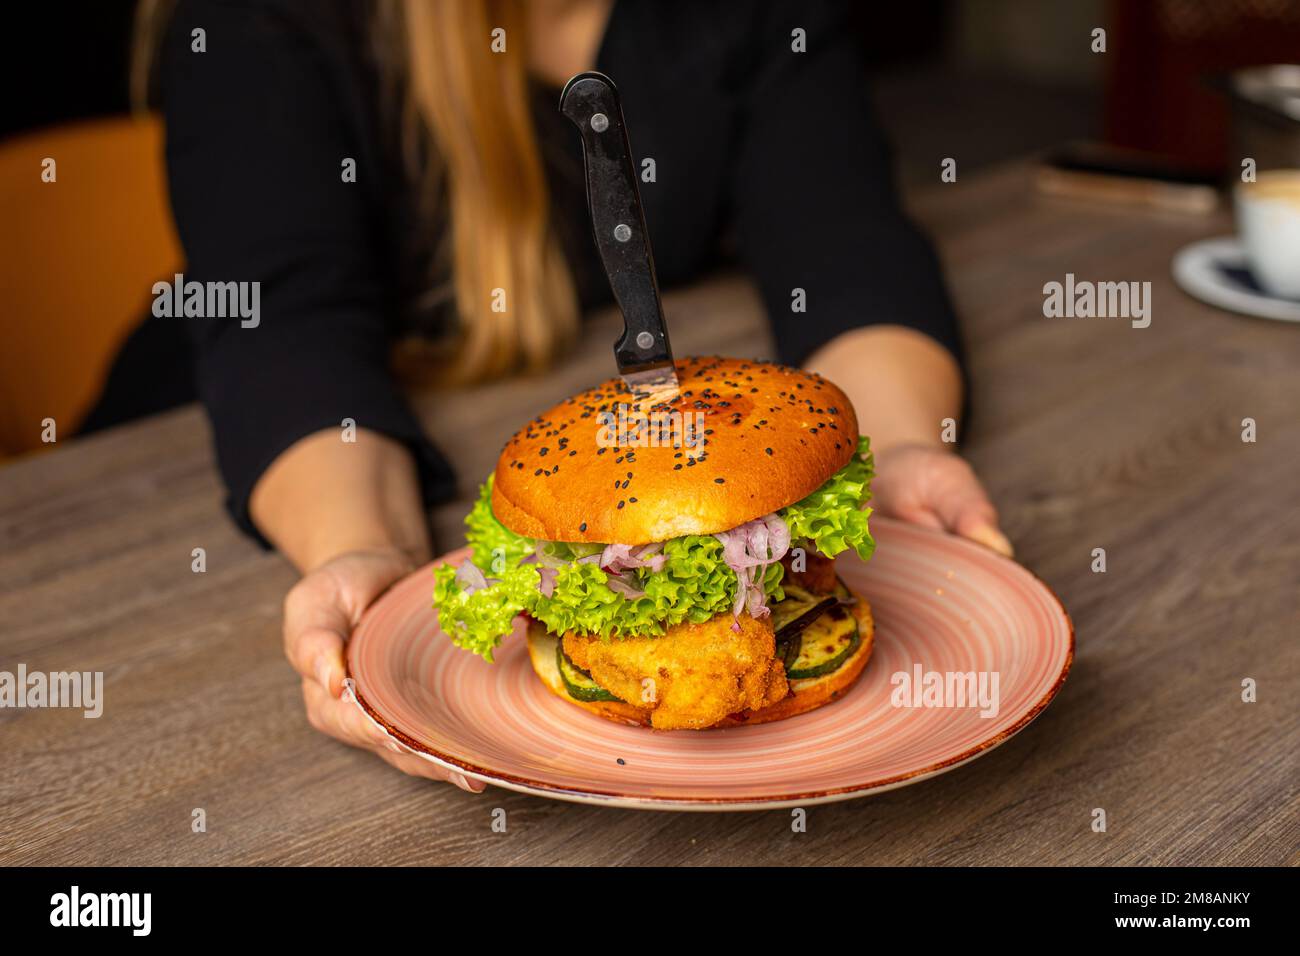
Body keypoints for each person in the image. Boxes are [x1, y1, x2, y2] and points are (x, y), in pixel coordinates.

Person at [125, 0, 1013, 791]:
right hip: (177, 462)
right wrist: (360, 549)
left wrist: (898, 450)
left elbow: (844, 243)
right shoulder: (265, 23)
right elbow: (285, 329)